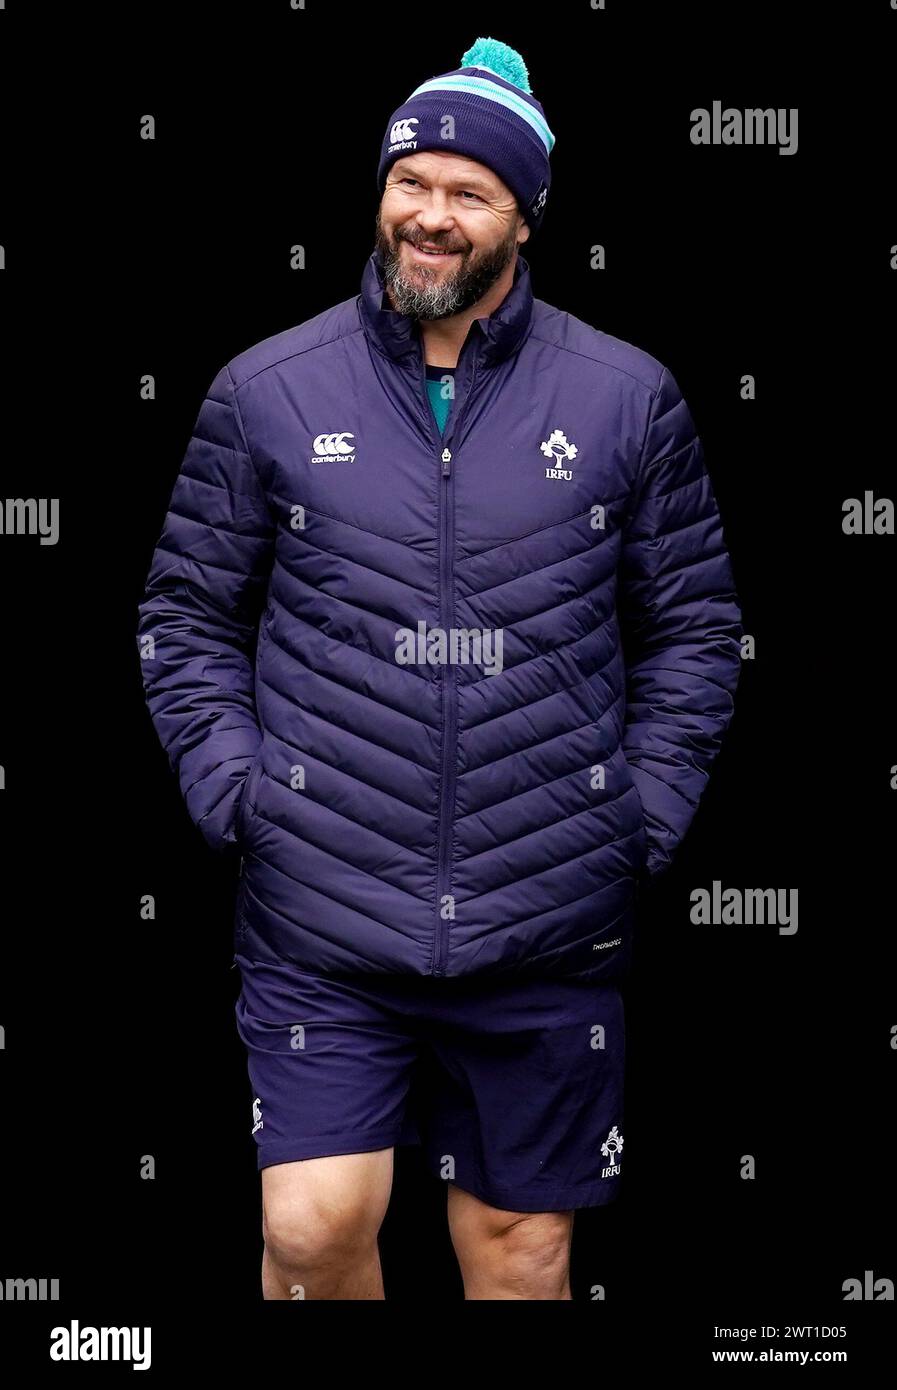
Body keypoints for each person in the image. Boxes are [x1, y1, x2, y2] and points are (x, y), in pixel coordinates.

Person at [136, 37, 743, 1300]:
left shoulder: (628, 396)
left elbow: (695, 626)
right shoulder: (270, 388)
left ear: (523, 217)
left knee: (521, 1257)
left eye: (470, 193)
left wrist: (636, 815)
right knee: (310, 1230)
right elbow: (184, 612)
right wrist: (242, 793)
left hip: (546, 919)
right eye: (412, 182)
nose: (431, 215)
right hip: (324, 911)